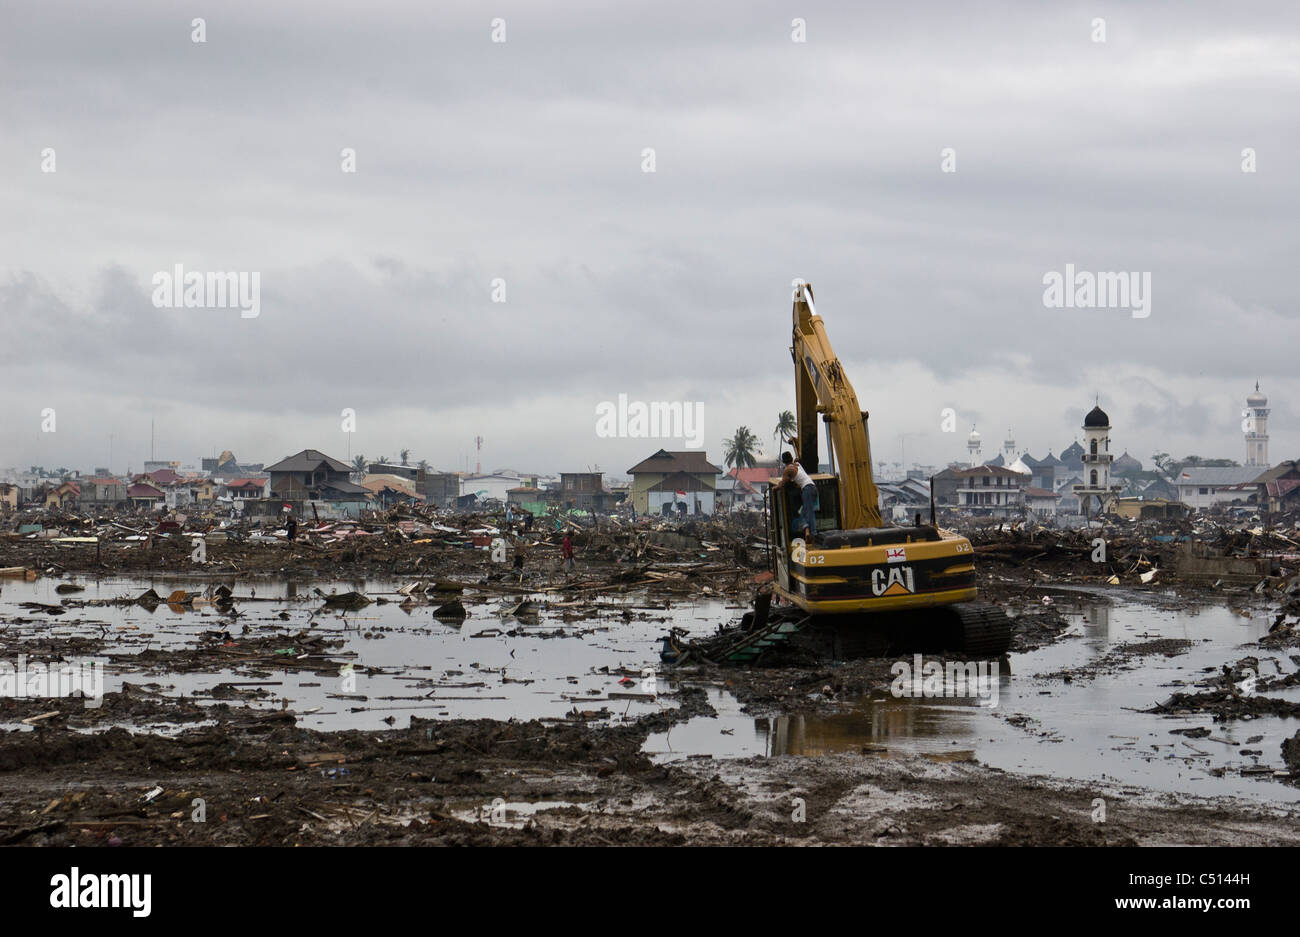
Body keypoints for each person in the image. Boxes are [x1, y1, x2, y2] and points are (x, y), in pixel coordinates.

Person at [776, 451, 818, 542]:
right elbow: (797, 461)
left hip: (807, 489)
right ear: (791, 459)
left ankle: (813, 534)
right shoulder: (797, 465)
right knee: (803, 512)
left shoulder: (788, 470)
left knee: (809, 511)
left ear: (783, 462)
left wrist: (774, 488)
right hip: (813, 488)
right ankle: (807, 532)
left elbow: (782, 484)